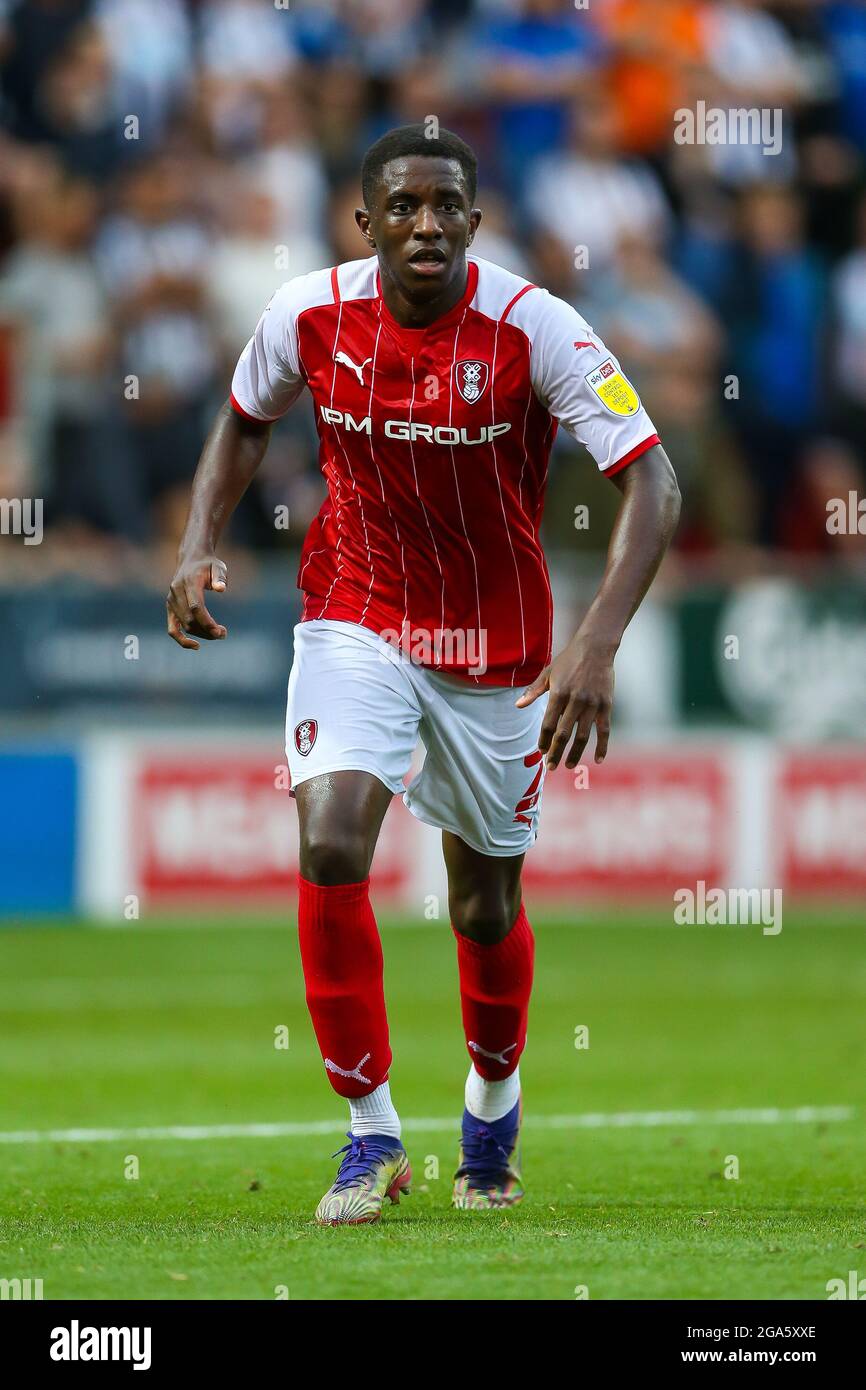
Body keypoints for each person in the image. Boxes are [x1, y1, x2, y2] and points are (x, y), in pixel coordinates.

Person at [166, 125, 680, 1225]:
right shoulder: (305, 312)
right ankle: (370, 1138)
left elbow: (654, 483)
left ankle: (490, 1106)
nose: (425, 225)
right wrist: (196, 540)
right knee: (330, 840)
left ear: (474, 223)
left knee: (482, 904)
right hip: (353, 612)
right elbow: (243, 420)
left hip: (493, 650)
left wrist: (594, 642)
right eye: (402, 206)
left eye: (445, 206)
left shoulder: (533, 327)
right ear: (365, 222)